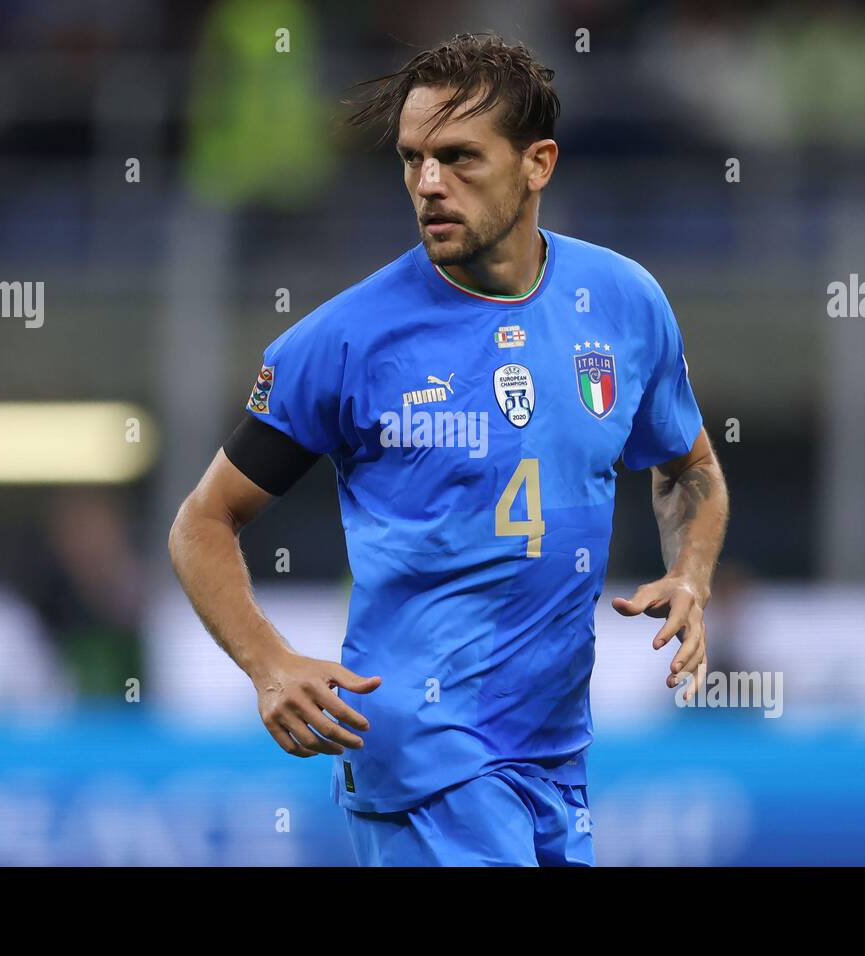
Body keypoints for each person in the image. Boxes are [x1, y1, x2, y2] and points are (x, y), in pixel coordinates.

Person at [169, 32, 729, 866]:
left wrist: (691, 573)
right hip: (424, 762)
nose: (429, 185)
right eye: (412, 159)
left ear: (537, 164)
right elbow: (203, 521)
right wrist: (269, 663)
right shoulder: (346, 341)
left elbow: (691, 471)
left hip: (554, 758)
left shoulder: (621, 303)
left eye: (460, 158)